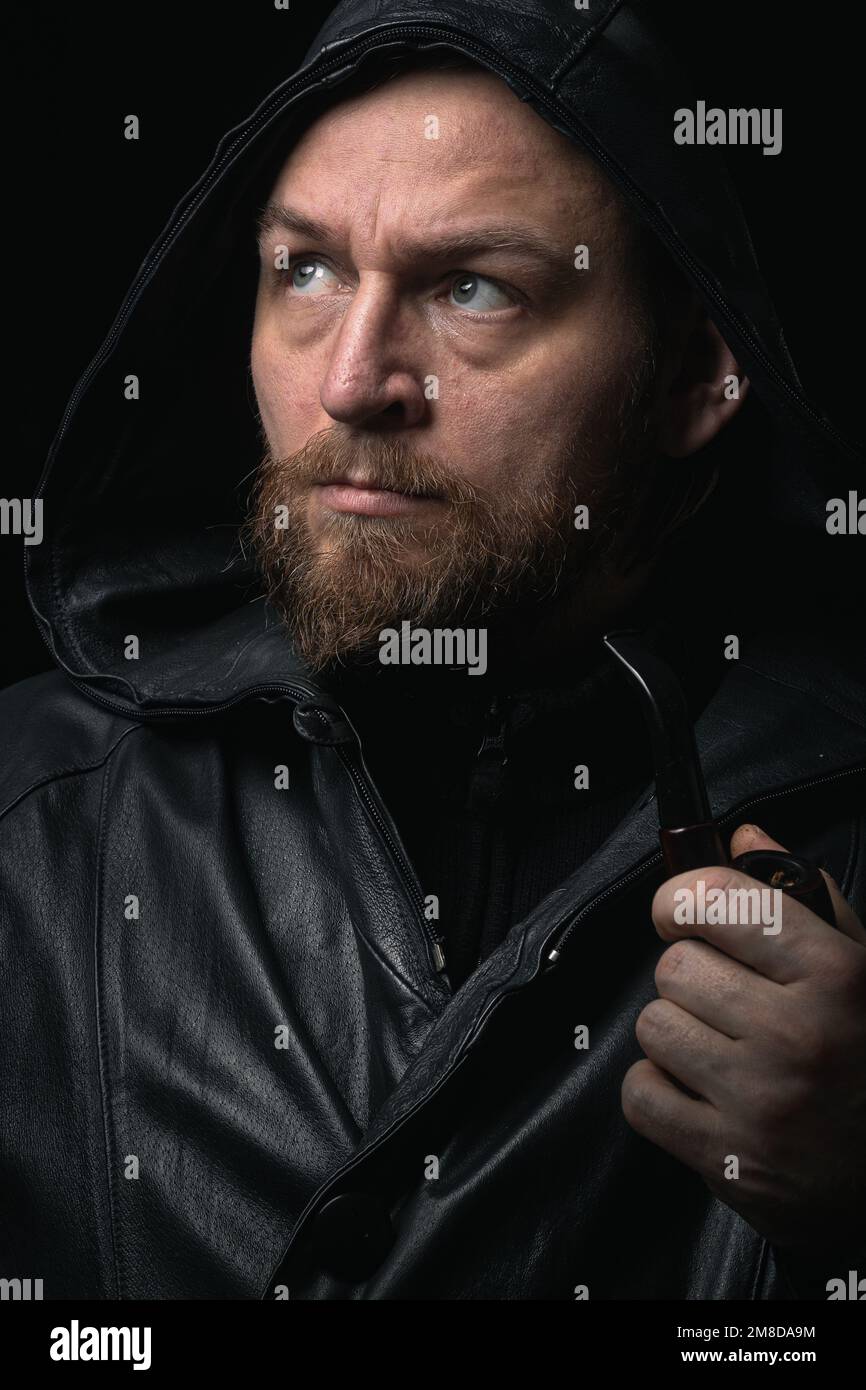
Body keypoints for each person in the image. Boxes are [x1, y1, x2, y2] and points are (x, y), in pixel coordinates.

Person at [2, 0, 864, 1301]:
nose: (353, 381)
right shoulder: (28, 814)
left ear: (695, 374)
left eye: (472, 288)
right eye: (305, 269)